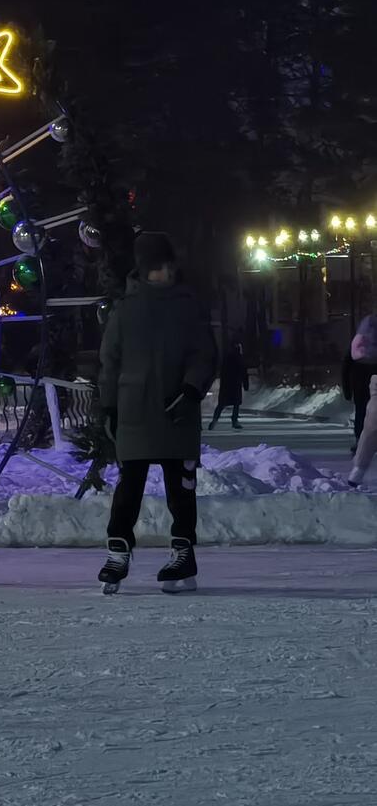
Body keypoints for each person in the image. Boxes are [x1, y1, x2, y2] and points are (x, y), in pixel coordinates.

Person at [97, 232, 217, 595]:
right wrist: (109, 406)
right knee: (128, 487)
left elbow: (204, 353)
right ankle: (118, 548)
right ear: (145, 269)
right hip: (134, 411)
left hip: (177, 410)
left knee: (180, 487)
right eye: (157, 267)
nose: (165, 273)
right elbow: (110, 361)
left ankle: (183, 549)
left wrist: (191, 388)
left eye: (167, 266)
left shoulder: (188, 305)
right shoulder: (126, 309)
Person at [342, 315, 377, 453]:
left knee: (361, 412)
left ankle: (361, 441)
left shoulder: (356, 346)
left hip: (360, 386)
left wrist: (347, 389)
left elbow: (346, 368)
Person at [208, 334, 248, 431]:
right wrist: (245, 382)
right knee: (235, 403)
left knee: (223, 403)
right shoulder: (237, 357)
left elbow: (224, 370)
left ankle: (215, 420)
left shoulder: (228, 356)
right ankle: (234, 420)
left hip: (227, 384)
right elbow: (243, 370)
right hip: (234, 383)